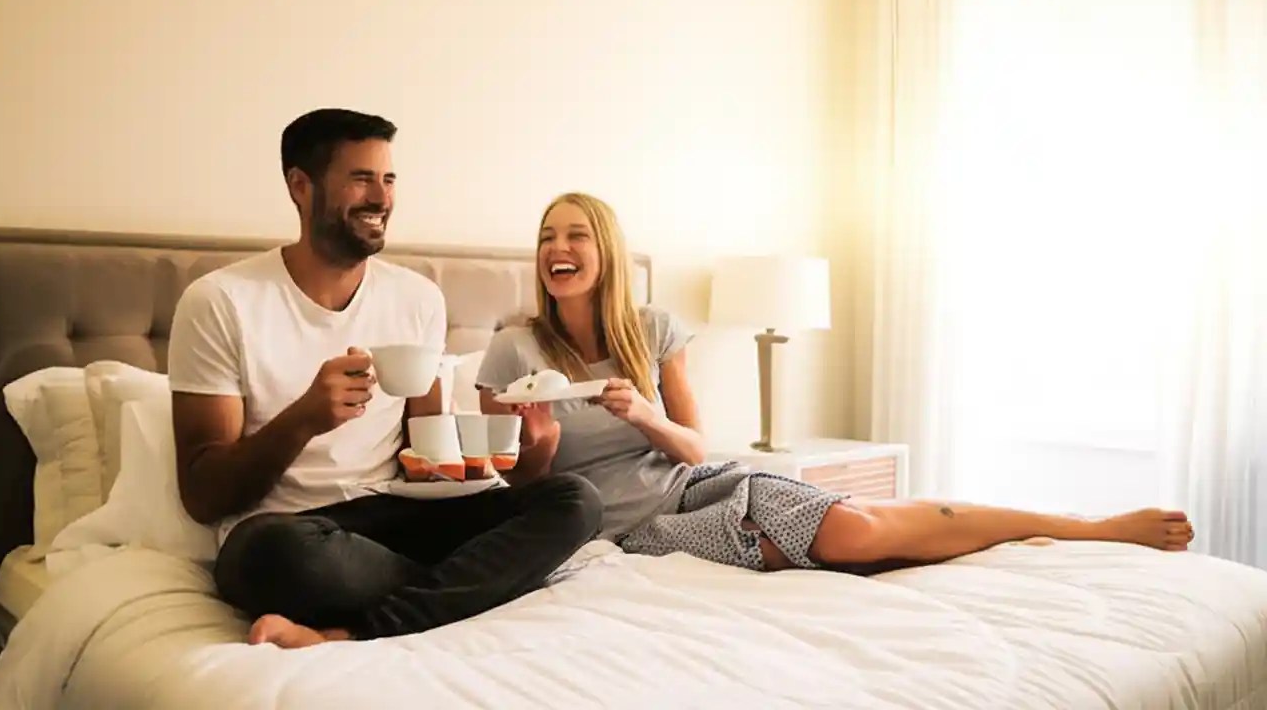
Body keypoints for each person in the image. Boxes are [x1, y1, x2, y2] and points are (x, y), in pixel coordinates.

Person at [475, 192, 1195, 575]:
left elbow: (696, 449)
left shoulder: (652, 328)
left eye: (574, 235)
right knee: (856, 540)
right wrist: (538, 447)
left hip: (698, 484)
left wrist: (643, 416)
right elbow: (510, 493)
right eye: (546, 237)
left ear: (606, 250)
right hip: (630, 532)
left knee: (859, 524)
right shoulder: (513, 351)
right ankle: (997, 538)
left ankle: (1082, 529)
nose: (557, 249)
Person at [168, 110, 602, 649]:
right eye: (360, 178)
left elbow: (429, 460)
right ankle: (480, 586)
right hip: (294, 532)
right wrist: (304, 419)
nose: (381, 198)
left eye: (388, 179)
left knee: (574, 500)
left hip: (400, 516)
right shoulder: (221, 302)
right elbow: (204, 495)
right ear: (300, 187)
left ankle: (350, 631)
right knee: (272, 555)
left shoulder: (416, 298)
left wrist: (522, 454)